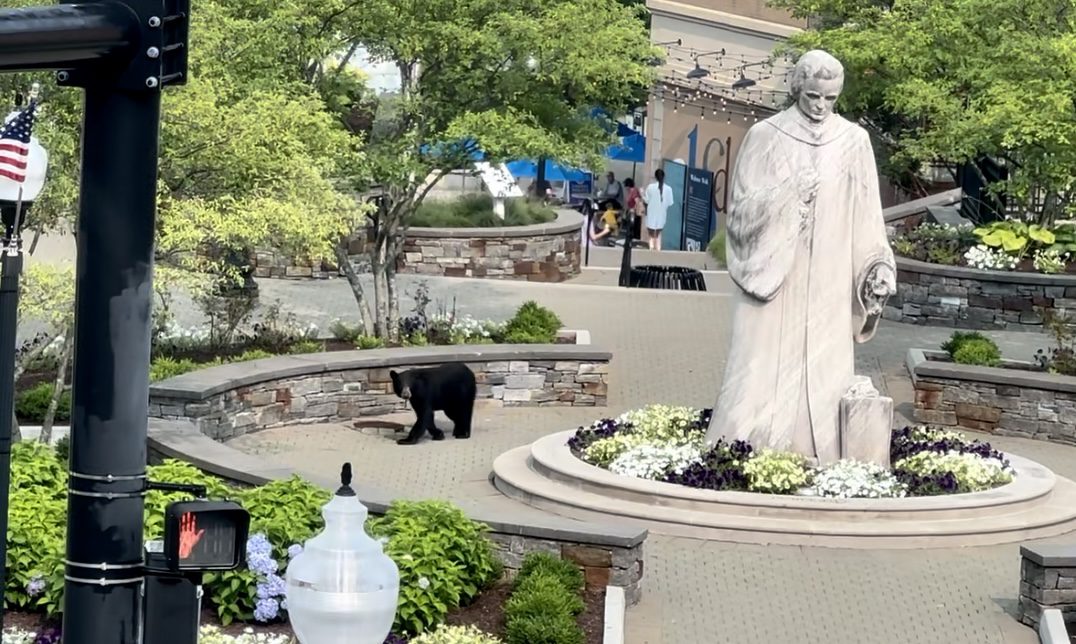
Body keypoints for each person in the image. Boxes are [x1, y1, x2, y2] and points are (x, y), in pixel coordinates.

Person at [703, 49, 896, 466]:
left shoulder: (854, 142)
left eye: (830, 98)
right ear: (797, 89)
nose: (820, 106)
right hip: (775, 274)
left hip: (828, 278)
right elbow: (739, 212)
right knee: (757, 368)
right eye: (813, 96)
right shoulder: (766, 135)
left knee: (825, 374)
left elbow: (867, 217)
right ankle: (746, 446)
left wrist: (878, 267)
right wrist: (788, 196)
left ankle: (820, 448)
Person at [642, 168, 674, 250]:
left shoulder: (650, 187)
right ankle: (658, 248)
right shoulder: (669, 189)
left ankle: (651, 247)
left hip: (651, 212)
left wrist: (641, 193)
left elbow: (646, 200)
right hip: (662, 213)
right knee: (658, 233)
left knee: (651, 233)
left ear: (655, 177)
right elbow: (670, 203)